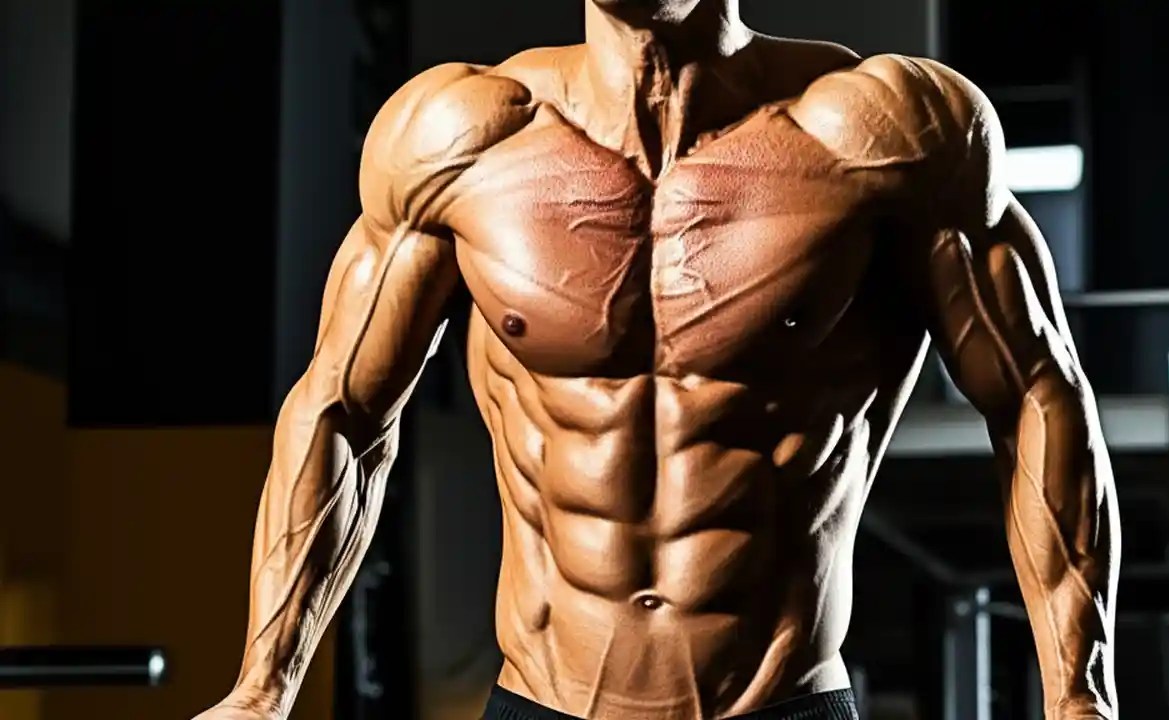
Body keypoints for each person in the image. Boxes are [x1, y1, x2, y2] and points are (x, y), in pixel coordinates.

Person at [194, 1, 1120, 718]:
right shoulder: (456, 139)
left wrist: (1078, 694)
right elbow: (342, 414)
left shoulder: (890, 134)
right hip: (543, 703)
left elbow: (1040, 394)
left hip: (782, 702)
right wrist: (262, 686)